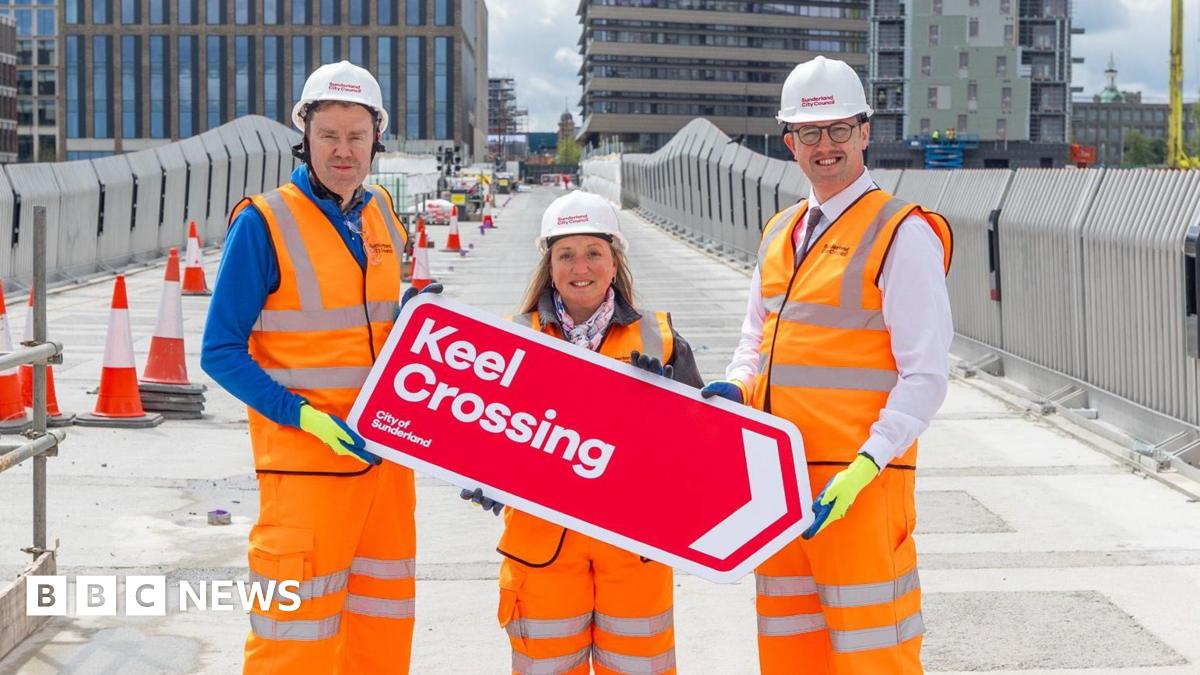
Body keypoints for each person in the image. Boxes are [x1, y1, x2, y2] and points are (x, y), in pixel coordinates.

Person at [700, 55, 953, 673]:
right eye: (810, 132)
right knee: (790, 650)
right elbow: (755, 338)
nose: (826, 145)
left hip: (859, 489)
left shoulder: (901, 232)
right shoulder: (780, 231)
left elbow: (926, 374)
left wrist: (868, 464)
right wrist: (736, 386)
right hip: (780, 488)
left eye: (840, 129)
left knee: (875, 654)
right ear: (790, 142)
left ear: (865, 132)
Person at [202, 61, 437, 674]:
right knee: (294, 640)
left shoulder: (382, 211)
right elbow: (219, 351)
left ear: (376, 139)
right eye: (328, 135)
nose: (343, 151)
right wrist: (301, 414)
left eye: (356, 136)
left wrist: (417, 319)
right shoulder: (263, 223)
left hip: (386, 465)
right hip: (306, 470)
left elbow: (370, 326)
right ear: (303, 136)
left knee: (380, 630)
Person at [462, 190, 703, 675]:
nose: (581, 267)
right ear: (550, 267)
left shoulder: (660, 339)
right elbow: (482, 428)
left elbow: (700, 448)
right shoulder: (512, 337)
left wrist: (667, 404)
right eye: (566, 255)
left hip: (633, 545)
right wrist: (482, 472)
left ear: (614, 263)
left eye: (594, 252)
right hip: (541, 547)